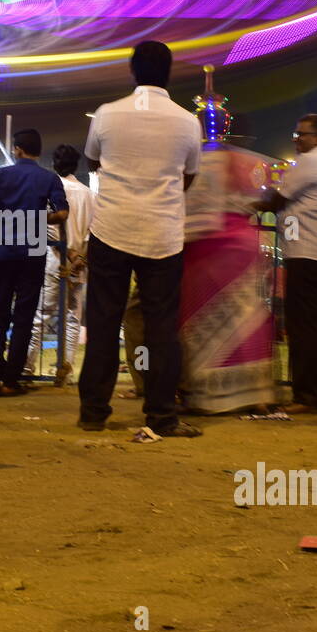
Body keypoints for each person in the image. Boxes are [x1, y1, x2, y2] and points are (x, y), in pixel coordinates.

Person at [78, 41, 202, 438]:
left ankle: (94, 412)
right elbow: (188, 176)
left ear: (133, 72)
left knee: (103, 323)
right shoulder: (188, 122)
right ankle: (162, 416)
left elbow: (94, 160)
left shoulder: (106, 114)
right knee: (162, 329)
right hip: (162, 235)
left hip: (111, 230)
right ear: (169, 73)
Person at [253, 114, 317, 414]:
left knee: (304, 326)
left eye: (301, 135)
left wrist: (241, 201)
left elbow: (276, 200)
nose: (296, 140)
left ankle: (307, 396)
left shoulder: (313, 161)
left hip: (308, 253)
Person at [179, 127, 277, 414]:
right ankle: (255, 395)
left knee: (203, 320)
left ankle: (211, 396)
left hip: (206, 248)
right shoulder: (250, 162)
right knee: (248, 315)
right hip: (242, 245)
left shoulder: (198, 159)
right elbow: (268, 198)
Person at [0, 129, 68, 397]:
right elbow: (61, 213)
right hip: (33, 251)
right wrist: (35, 218)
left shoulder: (0, 175)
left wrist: (2, 216)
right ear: (36, 151)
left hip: (3, 251)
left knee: (0, 314)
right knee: (24, 316)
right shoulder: (48, 178)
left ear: (17, 149)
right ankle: (11, 381)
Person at [26, 144, 95, 385]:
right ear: (76, 166)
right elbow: (91, 232)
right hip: (79, 265)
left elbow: (48, 229)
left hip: (53, 260)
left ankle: (27, 366)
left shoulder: (49, 188)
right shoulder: (88, 193)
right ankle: (65, 370)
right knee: (72, 318)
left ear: (54, 164)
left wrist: (67, 256)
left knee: (40, 315)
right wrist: (79, 259)